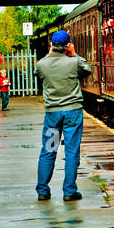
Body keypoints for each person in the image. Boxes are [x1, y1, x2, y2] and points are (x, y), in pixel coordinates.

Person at [34, 30, 91, 201]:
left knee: (49, 150)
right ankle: (69, 191)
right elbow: (87, 70)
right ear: (68, 46)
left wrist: (51, 52)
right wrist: (74, 54)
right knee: (72, 151)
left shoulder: (41, 64)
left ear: (51, 45)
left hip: (53, 115)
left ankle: (43, 191)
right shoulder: (73, 62)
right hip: (72, 113)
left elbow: (39, 74)